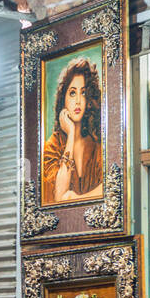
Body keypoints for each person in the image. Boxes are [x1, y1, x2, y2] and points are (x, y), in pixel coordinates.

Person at [43, 57, 104, 204]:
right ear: (63, 98)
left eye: (83, 93)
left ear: (89, 100)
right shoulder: (52, 146)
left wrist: (77, 198)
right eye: (72, 93)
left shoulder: (97, 144)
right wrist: (70, 135)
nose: (78, 100)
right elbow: (59, 196)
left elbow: (110, 188)